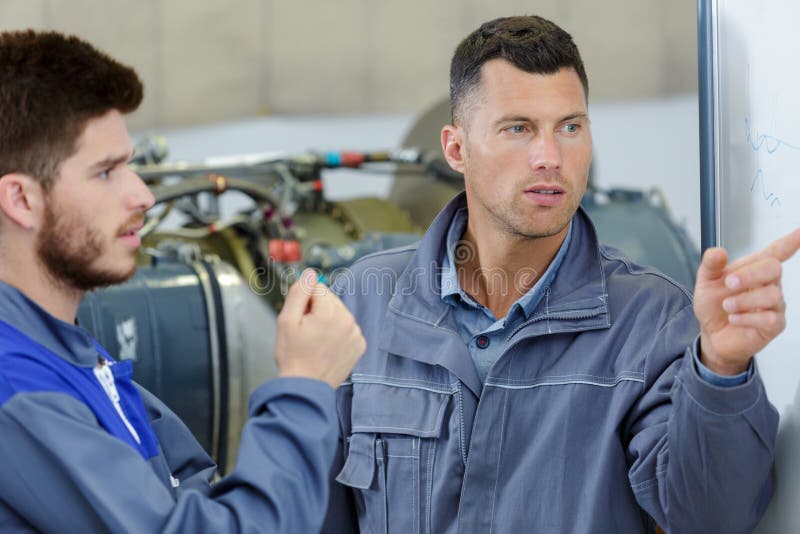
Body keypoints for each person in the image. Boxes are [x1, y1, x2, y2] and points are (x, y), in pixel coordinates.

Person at [322, 15, 800, 533]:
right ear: (456, 149)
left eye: (570, 127)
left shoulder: (651, 321)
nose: (550, 157)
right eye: (518, 129)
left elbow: (711, 517)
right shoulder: (362, 306)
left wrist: (721, 368)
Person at [0, 30, 366, 532]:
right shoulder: (18, 387)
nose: (143, 196)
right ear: (21, 200)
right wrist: (305, 387)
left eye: (130, 165)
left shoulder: (69, 349)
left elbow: (190, 489)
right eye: (106, 172)